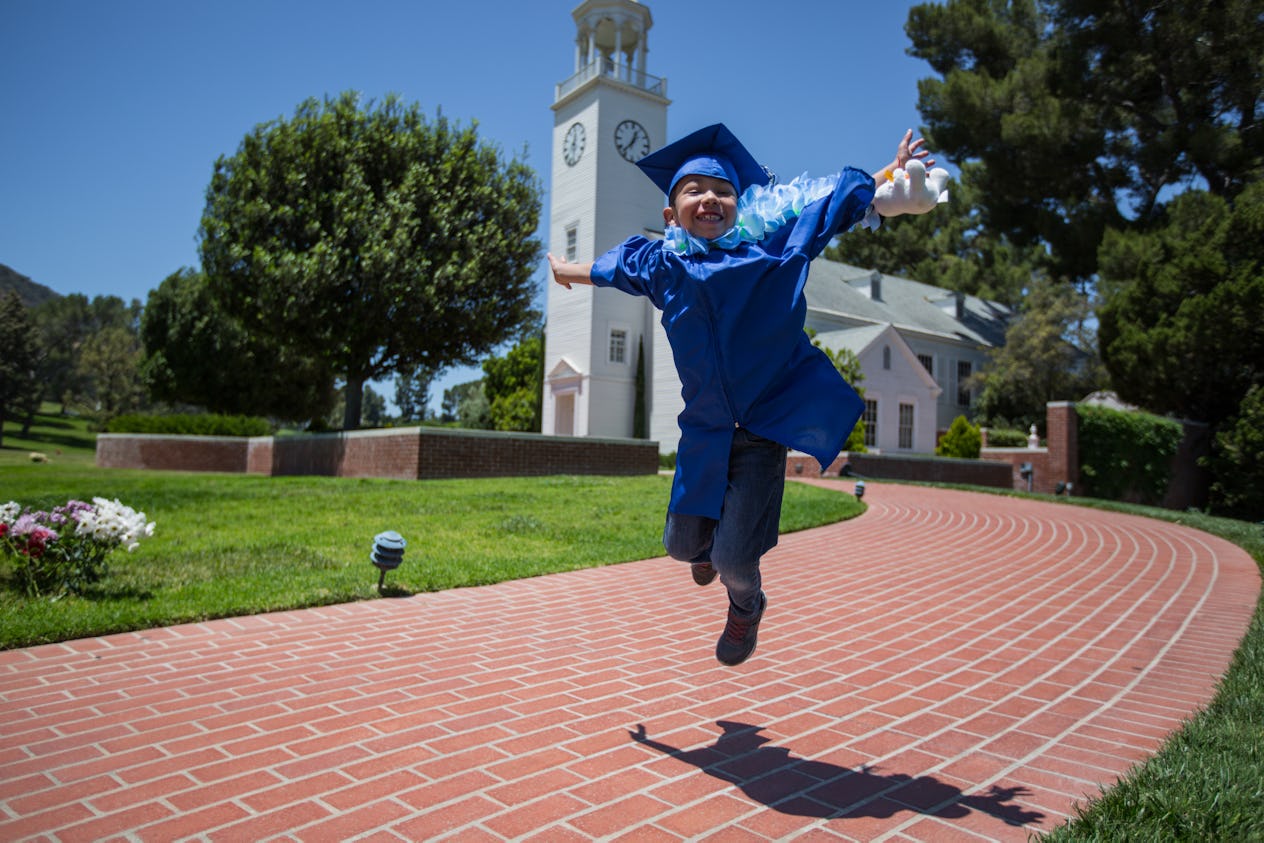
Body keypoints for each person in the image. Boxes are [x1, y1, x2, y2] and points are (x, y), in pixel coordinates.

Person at [548, 123, 935, 666]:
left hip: (759, 431)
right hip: (704, 430)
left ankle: (747, 606)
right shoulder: (663, 265)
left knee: (733, 559)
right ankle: (703, 550)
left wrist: (887, 174)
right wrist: (566, 270)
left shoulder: (768, 250)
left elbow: (824, 206)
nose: (710, 198)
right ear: (670, 215)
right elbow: (613, 267)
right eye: (694, 190)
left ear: (740, 204)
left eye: (723, 190)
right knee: (683, 547)